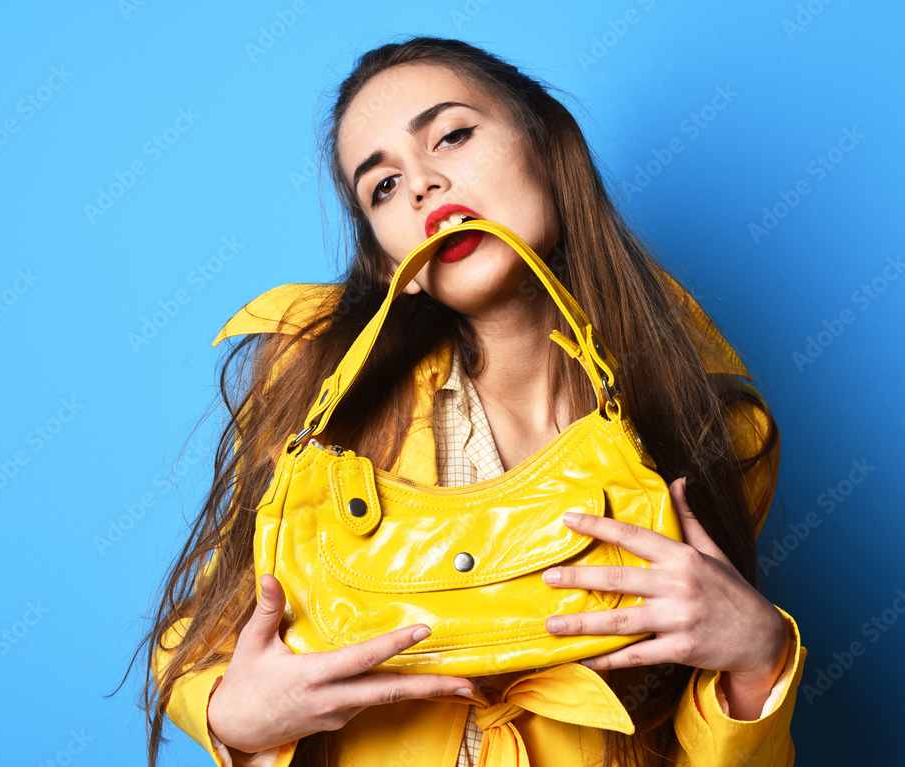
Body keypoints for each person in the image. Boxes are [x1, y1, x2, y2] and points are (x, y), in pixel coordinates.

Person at [139, 36, 806, 767]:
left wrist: (758, 662)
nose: (422, 185)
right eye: (382, 186)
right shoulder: (320, 382)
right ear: (389, 260)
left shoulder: (707, 426)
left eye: (452, 135)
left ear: (547, 147)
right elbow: (200, 636)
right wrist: (233, 715)